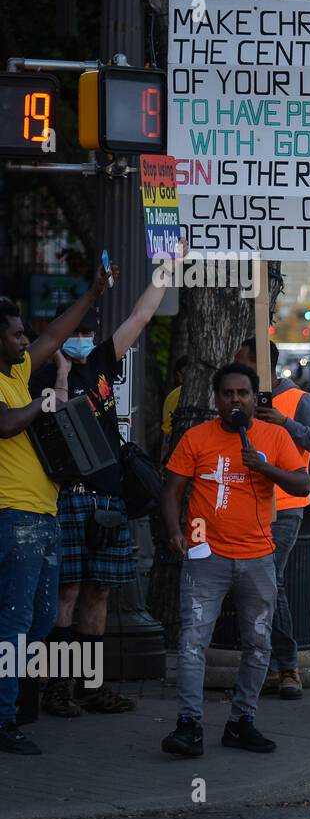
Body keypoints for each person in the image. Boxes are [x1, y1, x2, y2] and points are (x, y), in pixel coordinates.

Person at [30, 268, 171, 719]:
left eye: (91, 329)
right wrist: (63, 375)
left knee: (100, 594)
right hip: (68, 494)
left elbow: (141, 315)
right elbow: (57, 421)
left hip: (108, 496)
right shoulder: (35, 375)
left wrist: (167, 268)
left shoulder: (103, 360)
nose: (86, 335)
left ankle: (90, 686)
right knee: (66, 593)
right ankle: (56, 687)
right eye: (78, 329)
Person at [159, 363, 309, 757]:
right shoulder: (196, 438)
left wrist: (265, 467)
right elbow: (172, 490)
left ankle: (242, 721)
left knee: (258, 644)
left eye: (243, 393)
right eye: (228, 394)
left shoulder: (274, 436)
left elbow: (303, 483)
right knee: (193, 642)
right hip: (204, 555)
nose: (235, 400)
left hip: (257, 558)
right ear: (217, 399)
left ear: (254, 397)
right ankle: (188, 725)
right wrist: (175, 532)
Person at [0, 267, 110, 755]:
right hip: (14, 515)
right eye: (15, 332)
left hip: (43, 515)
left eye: (25, 331)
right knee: (14, 623)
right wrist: (43, 405)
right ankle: (4, 719)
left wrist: (91, 294)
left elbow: (53, 335)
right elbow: (5, 426)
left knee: (41, 619)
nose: (26, 339)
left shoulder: (18, 372)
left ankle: (12, 705)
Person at [233, 337, 310, 700]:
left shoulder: (299, 400)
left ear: (263, 365)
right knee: (259, 587)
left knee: (269, 581)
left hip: (285, 506)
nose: (238, 367)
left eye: (243, 362)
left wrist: (284, 422)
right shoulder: (239, 399)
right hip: (246, 506)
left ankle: (286, 666)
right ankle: (272, 668)